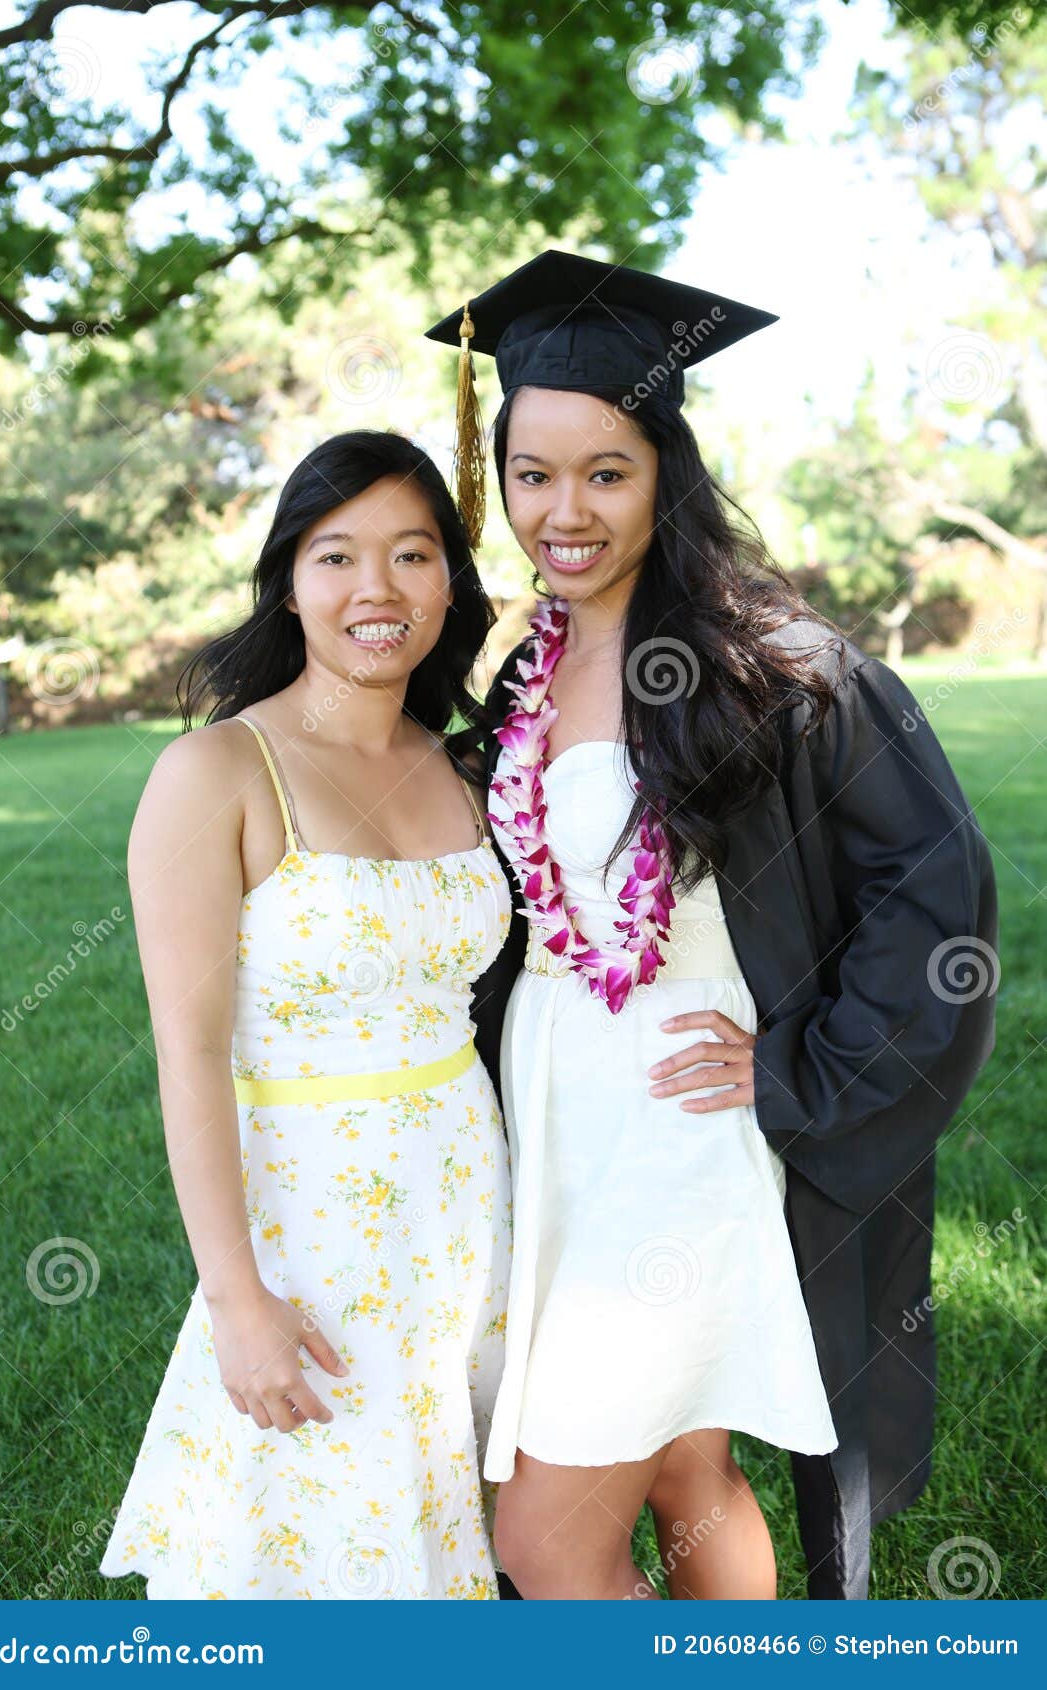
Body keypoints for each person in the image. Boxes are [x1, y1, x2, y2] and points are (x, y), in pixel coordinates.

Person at [426, 250, 999, 1600]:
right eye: (529, 473)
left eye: (604, 471)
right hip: (557, 1108)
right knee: (685, 1470)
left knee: (538, 1537)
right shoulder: (527, 667)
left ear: (662, 471)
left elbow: (933, 882)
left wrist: (804, 1068)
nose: (561, 510)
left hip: (684, 1124)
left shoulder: (773, 662)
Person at [99, 430, 514, 1599]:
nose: (375, 590)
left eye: (412, 555)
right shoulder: (217, 772)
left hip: (467, 1203)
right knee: (319, 1536)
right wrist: (236, 1295)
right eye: (336, 556)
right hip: (311, 1225)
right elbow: (185, 1049)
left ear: (450, 580)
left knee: (451, 1531)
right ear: (289, 578)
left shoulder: (464, 769)